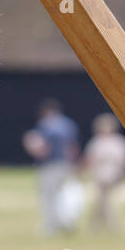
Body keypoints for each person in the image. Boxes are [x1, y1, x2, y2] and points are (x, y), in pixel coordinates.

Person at [22, 99, 81, 234]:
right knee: (64, 195)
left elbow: (42, 146)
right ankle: (67, 220)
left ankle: (51, 226)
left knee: (49, 197)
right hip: (65, 164)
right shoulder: (68, 124)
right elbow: (73, 147)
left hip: (49, 165)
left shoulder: (46, 125)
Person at [81, 113, 125, 228]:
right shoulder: (97, 142)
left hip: (114, 174)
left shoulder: (119, 142)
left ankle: (105, 225)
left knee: (104, 200)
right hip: (100, 174)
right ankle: (101, 224)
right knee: (102, 200)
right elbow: (90, 159)